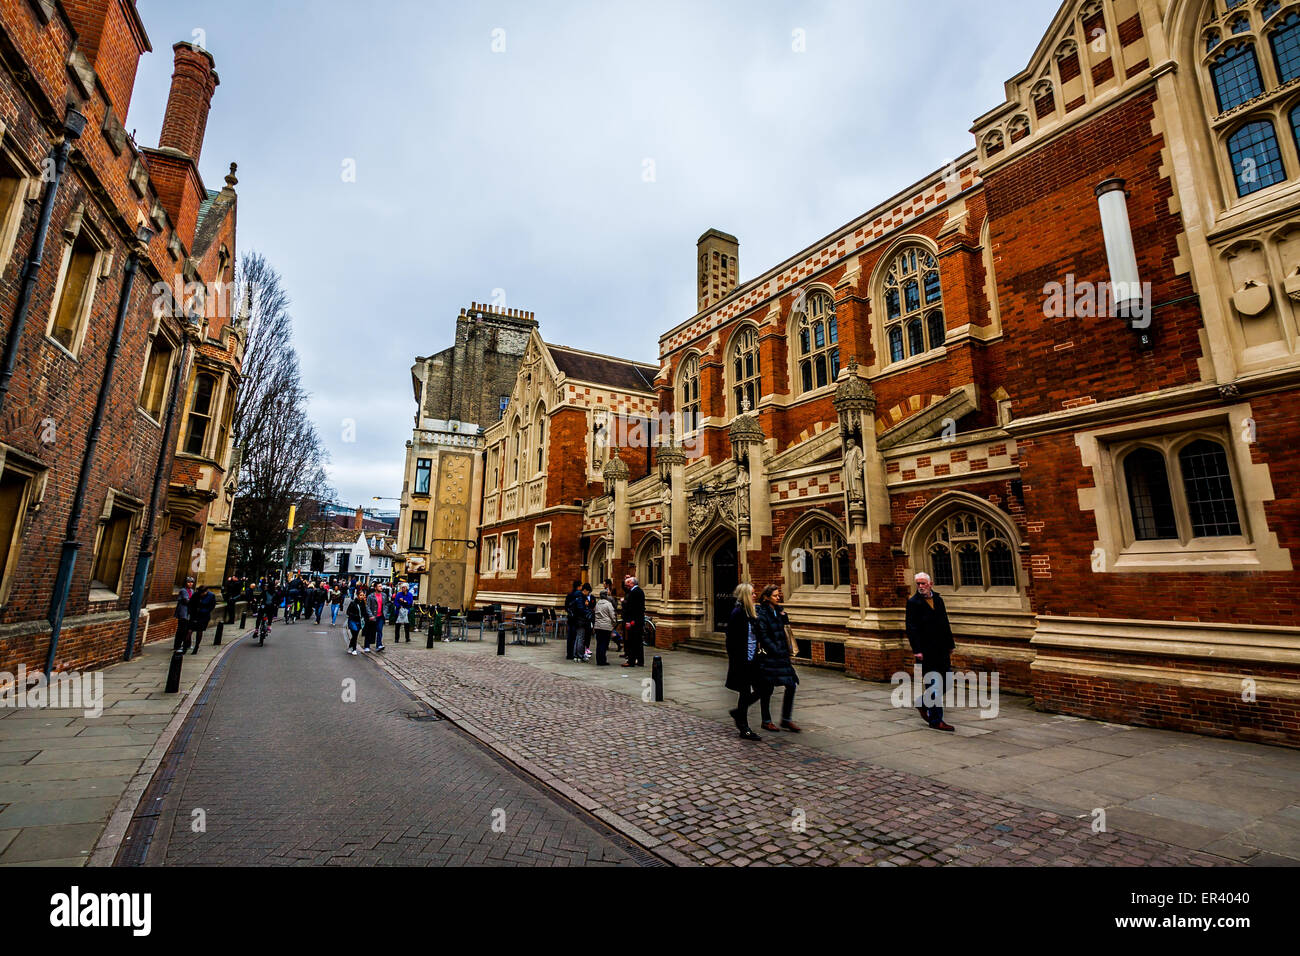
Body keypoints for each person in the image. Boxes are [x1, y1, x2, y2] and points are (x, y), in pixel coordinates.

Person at [906, 572, 956, 732]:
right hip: (926, 651)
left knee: (947, 683)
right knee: (934, 685)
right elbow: (911, 627)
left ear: (930, 583)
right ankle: (936, 720)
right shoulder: (913, 602)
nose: (920, 586)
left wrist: (950, 644)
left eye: (923, 583)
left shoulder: (938, 600)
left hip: (942, 648)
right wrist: (917, 650)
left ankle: (922, 702)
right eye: (918, 584)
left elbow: (945, 623)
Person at [755, 585, 800, 732]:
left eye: (778, 595)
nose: (778, 597)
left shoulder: (779, 611)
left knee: (791, 685)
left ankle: (786, 719)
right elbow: (763, 635)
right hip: (770, 657)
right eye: (775, 595)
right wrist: (774, 649)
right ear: (767, 597)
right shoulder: (762, 613)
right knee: (767, 689)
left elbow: (785, 630)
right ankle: (766, 720)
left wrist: (783, 616)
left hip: (782, 656)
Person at [725, 583, 764, 740]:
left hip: (753, 659)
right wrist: (736, 660)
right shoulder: (737, 613)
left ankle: (738, 713)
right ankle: (744, 727)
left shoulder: (751, 612)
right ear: (746, 595)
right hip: (742, 661)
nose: (755, 595)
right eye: (753, 593)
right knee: (745, 692)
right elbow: (731, 640)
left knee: (763, 688)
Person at [621, 575, 645, 668]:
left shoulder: (634, 592)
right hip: (638, 620)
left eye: (628, 583)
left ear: (632, 583)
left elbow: (632, 608)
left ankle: (631, 661)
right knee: (638, 642)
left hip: (634, 621)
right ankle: (640, 660)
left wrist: (630, 621)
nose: (626, 585)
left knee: (632, 642)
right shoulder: (638, 591)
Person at [188, 585, 217, 654]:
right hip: (194, 615)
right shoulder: (196, 594)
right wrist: (191, 611)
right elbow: (191, 603)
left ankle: (196, 646)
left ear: (206, 591)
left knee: (199, 631)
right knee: (189, 631)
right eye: (200, 593)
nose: (201, 594)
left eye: (202, 593)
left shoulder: (211, 596)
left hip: (203, 617)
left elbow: (212, 606)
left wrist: (204, 611)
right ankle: (186, 646)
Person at [592, 588, 617, 666]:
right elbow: (612, 615)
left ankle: (598, 660)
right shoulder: (608, 604)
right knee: (604, 643)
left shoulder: (597, 604)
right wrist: (614, 622)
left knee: (599, 643)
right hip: (606, 626)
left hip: (598, 626)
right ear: (606, 596)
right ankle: (602, 660)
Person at [563, 580, 585, 661]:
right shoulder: (579, 595)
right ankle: (575, 653)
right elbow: (580, 608)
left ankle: (569, 654)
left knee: (570, 637)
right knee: (576, 637)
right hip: (577, 618)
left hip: (570, 618)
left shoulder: (569, 595)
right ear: (578, 586)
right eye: (581, 586)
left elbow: (566, 606)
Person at [572, 583, 595, 661]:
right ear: (585, 591)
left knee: (578, 637)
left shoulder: (577, 597)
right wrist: (588, 612)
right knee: (581, 638)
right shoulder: (581, 598)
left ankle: (576, 655)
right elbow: (582, 610)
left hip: (578, 620)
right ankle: (580, 655)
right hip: (581, 620)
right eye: (588, 592)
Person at [174, 577, 195, 652]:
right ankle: (177, 645)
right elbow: (186, 601)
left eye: (192, 582)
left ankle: (186, 644)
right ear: (185, 583)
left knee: (187, 629)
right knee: (181, 629)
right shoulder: (183, 590)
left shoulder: (192, 590)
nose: (190, 584)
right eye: (189, 582)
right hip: (183, 612)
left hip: (188, 612)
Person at [366, 584, 386, 652]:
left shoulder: (384, 595)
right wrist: (370, 615)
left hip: (380, 616)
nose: (381, 587)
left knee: (379, 630)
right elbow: (367, 606)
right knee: (370, 631)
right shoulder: (370, 596)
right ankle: (367, 646)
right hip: (373, 616)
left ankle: (379, 645)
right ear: (375, 588)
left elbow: (386, 605)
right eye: (379, 586)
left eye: (381, 586)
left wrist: (385, 613)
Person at [345, 586, 365, 655]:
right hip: (352, 621)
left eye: (363, 595)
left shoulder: (363, 603)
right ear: (357, 595)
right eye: (360, 595)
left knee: (355, 635)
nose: (362, 596)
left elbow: (364, 612)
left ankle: (350, 646)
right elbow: (348, 612)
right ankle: (354, 649)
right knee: (355, 634)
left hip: (359, 622)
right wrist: (354, 615)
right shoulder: (353, 603)